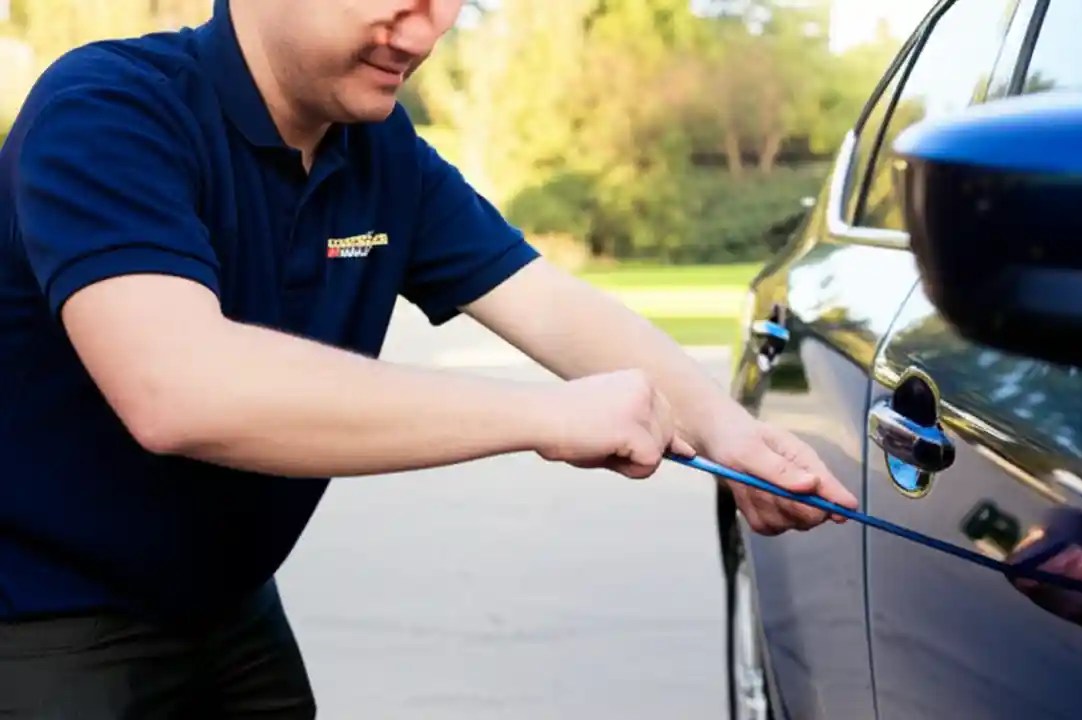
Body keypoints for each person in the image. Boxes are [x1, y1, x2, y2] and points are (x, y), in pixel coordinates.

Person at [0, 0, 859, 716]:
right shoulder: (108, 111)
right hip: (43, 619)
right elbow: (180, 389)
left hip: (232, 612)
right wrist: (542, 416)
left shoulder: (379, 153)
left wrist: (728, 435)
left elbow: (551, 305)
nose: (422, 34)